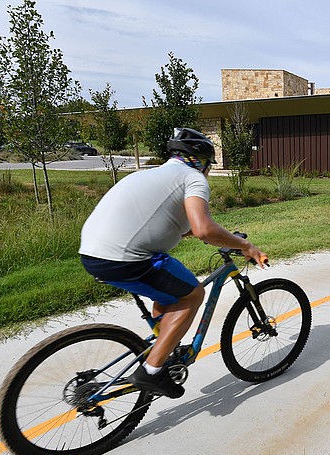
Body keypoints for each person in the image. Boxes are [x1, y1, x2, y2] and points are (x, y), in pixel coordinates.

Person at [79, 127, 267, 398]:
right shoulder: (193, 178)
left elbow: (173, 222)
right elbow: (203, 229)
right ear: (202, 161)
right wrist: (246, 245)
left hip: (93, 254)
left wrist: (203, 233)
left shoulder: (151, 174)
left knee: (170, 293)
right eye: (209, 167)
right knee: (193, 294)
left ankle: (163, 349)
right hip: (128, 259)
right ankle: (152, 371)